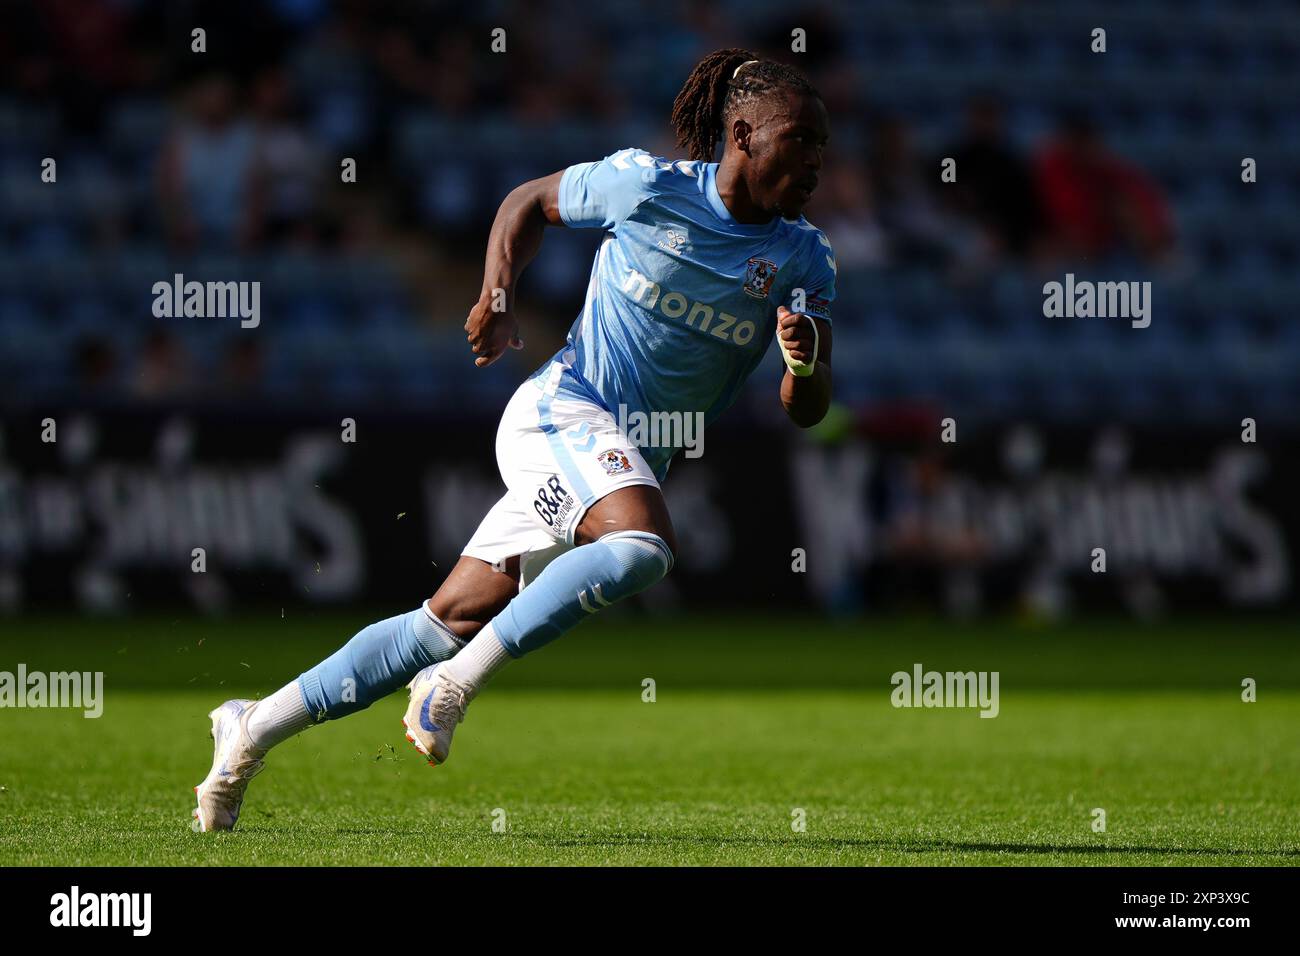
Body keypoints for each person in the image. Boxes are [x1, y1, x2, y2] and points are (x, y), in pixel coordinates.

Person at [193, 48, 837, 831]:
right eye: (801, 139)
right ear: (743, 133)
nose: (815, 163)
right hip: (562, 412)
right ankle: (454, 688)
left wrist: (803, 366)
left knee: (439, 624)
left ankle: (249, 728)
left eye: (822, 147)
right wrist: (498, 293)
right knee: (642, 549)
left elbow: (807, 407)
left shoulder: (804, 256)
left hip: (616, 463)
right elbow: (527, 201)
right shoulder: (646, 187)